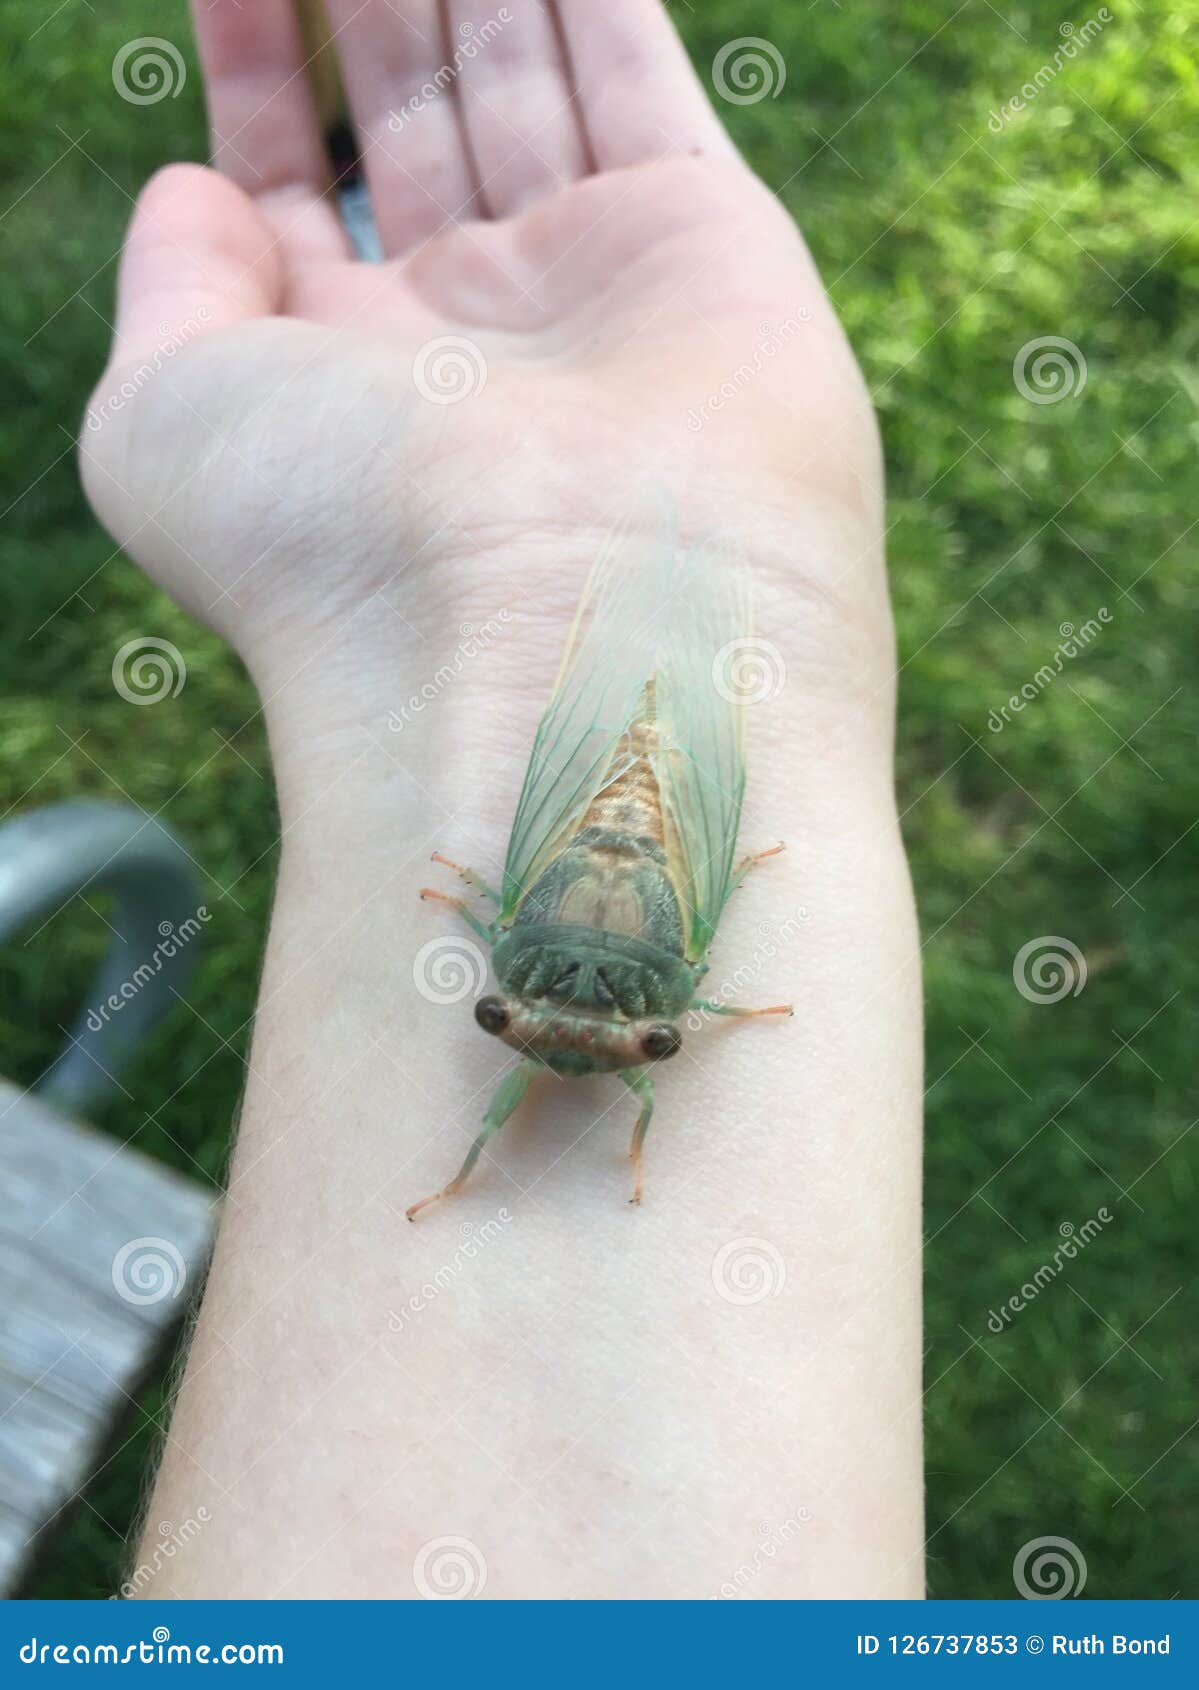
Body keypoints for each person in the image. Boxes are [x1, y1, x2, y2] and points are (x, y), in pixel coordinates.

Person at [81, 0, 923, 1599]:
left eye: (616, 1043)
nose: (585, 1050)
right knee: (698, 836)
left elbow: (505, 918)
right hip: (652, 846)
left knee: (632, 826)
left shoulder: (570, 995)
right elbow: (649, 991)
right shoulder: (652, 1009)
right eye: (621, 1039)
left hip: (598, 842)